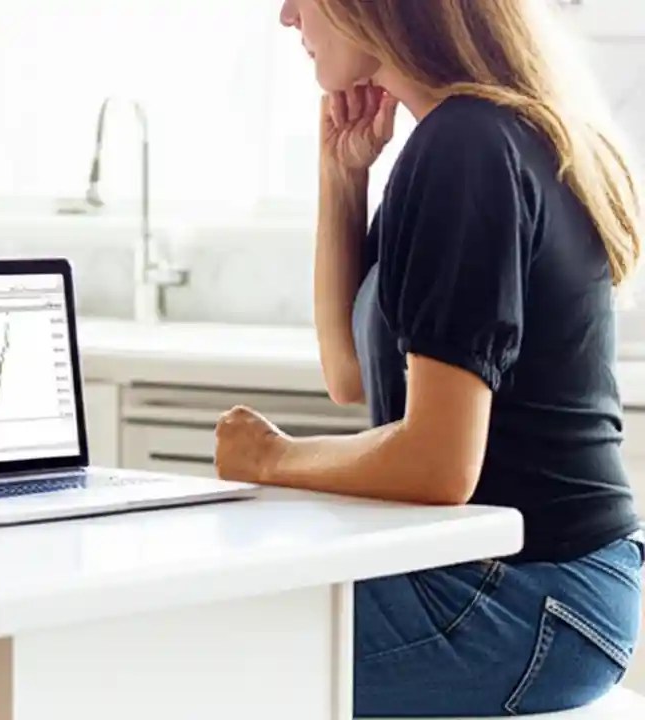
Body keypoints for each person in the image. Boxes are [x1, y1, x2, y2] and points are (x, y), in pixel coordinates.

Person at [213, 0, 645, 715]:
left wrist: (271, 459)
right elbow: (349, 372)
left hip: (534, 594)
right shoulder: (468, 135)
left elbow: (439, 465)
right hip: (552, 590)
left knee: (185, 647)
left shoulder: (467, 145)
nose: (287, 15)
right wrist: (343, 178)